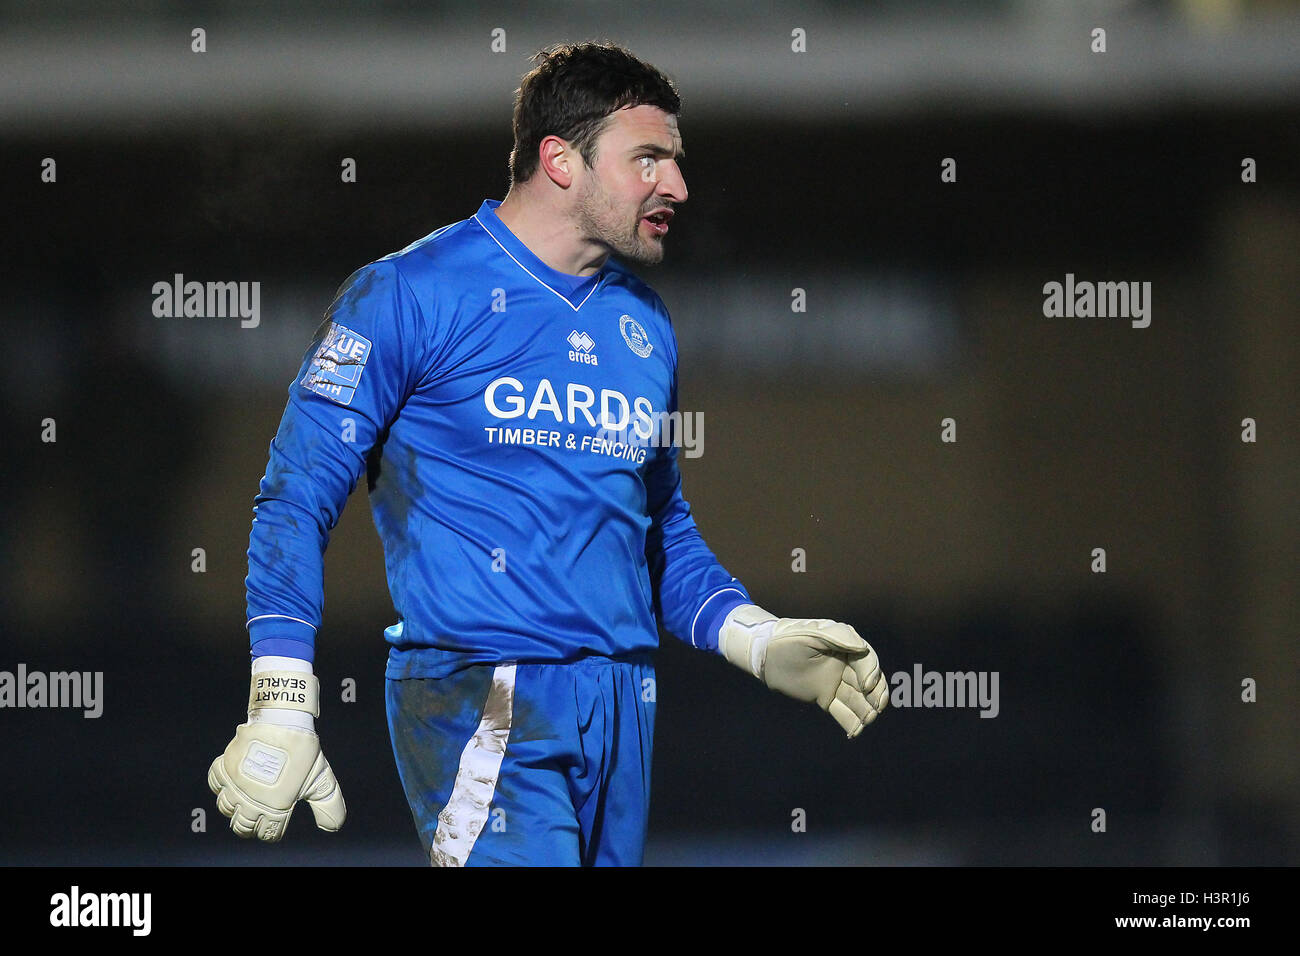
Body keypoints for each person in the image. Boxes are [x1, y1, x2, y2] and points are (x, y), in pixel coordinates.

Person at [208, 41, 887, 866]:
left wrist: (756, 637)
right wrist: (281, 699)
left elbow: (657, 529)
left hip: (623, 703)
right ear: (560, 160)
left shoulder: (645, 326)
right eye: (649, 160)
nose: (676, 186)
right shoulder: (410, 293)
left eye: (675, 161)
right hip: (486, 694)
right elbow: (295, 494)